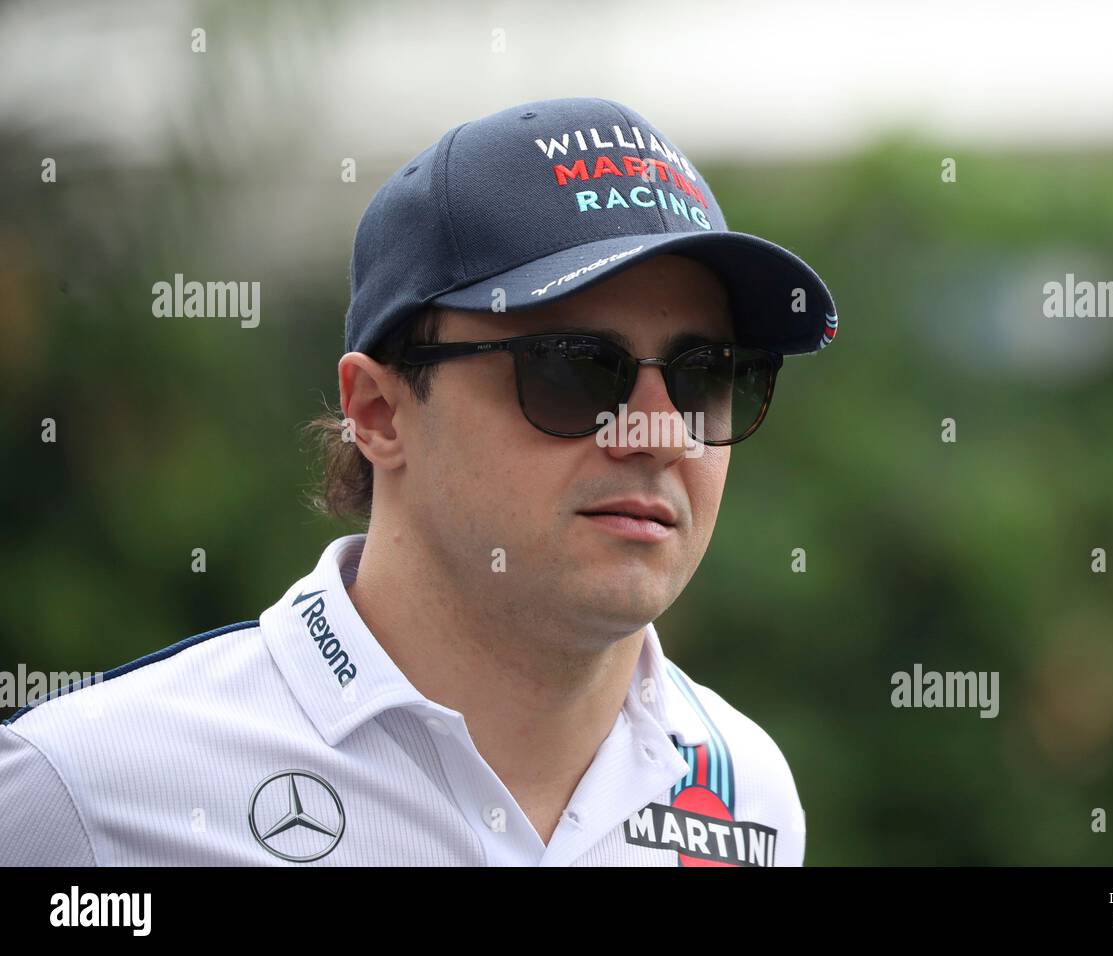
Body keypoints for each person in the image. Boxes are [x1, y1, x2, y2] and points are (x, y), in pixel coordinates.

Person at [0, 96, 838, 866]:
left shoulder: (747, 796)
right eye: (577, 370)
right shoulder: (85, 793)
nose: (659, 433)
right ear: (378, 411)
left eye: (705, 375)